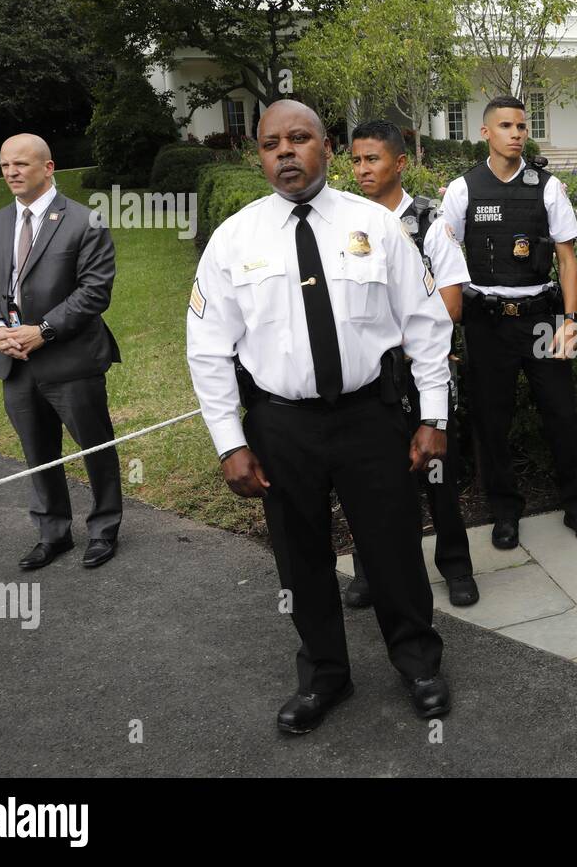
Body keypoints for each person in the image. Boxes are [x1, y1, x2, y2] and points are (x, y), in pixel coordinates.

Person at [186, 100, 452, 733]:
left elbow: (426, 323)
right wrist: (230, 442)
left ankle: (418, 663)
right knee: (300, 557)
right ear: (259, 156)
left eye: (299, 138)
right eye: (272, 143)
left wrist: (434, 415)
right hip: (282, 427)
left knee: (392, 547)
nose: (286, 151)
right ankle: (325, 675)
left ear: (326, 147)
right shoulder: (235, 238)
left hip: (370, 416)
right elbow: (207, 349)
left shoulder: (378, 226)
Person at [439, 95, 577, 549]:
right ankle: (505, 513)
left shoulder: (547, 187)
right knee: (492, 423)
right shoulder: (462, 189)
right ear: (485, 132)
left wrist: (571, 321)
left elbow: (567, 259)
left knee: (562, 416)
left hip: (541, 320)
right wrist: (444, 331)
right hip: (487, 324)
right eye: (506, 126)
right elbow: (443, 258)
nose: (516, 134)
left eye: (522, 127)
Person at [0, 133, 123, 570]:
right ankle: (53, 533)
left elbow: (95, 292)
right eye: (4, 166)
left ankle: (104, 528)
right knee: (38, 452)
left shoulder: (84, 221)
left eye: (20, 164)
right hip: (14, 363)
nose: (11, 173)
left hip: (71, 360)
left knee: (94, 448)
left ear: (48, 168)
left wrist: (45, 331)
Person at [344, 120, 478, 608]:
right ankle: (369, 571)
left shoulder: (429, 221)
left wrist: (399, 337)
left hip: (423, 373)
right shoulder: (345, 222)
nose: (362, 169)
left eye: (372, 159)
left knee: (439, 474)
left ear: (399, 163)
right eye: (356, 160)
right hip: (370, 382)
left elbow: (451, 303)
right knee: (372, 481)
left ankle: (456, 567)